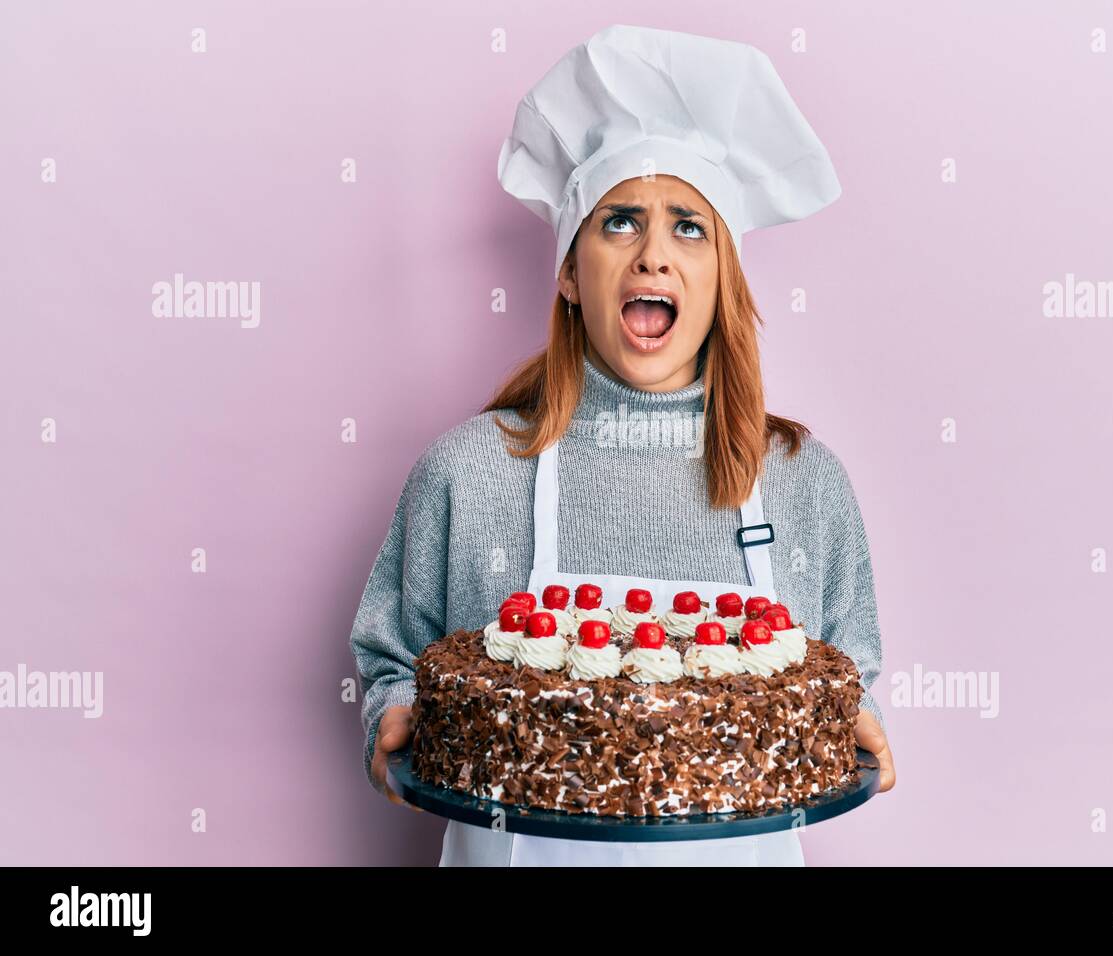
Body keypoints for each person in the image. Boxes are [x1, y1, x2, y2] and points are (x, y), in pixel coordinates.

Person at [350, 23, 895, 867]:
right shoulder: (467, 471)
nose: (653, 257)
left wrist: (859, 721)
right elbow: (393, 659)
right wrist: (388, 706)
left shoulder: (803, 484)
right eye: (619, 223)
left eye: (688, 228)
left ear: (724, 276)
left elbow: (843, 679)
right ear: (569, 271)